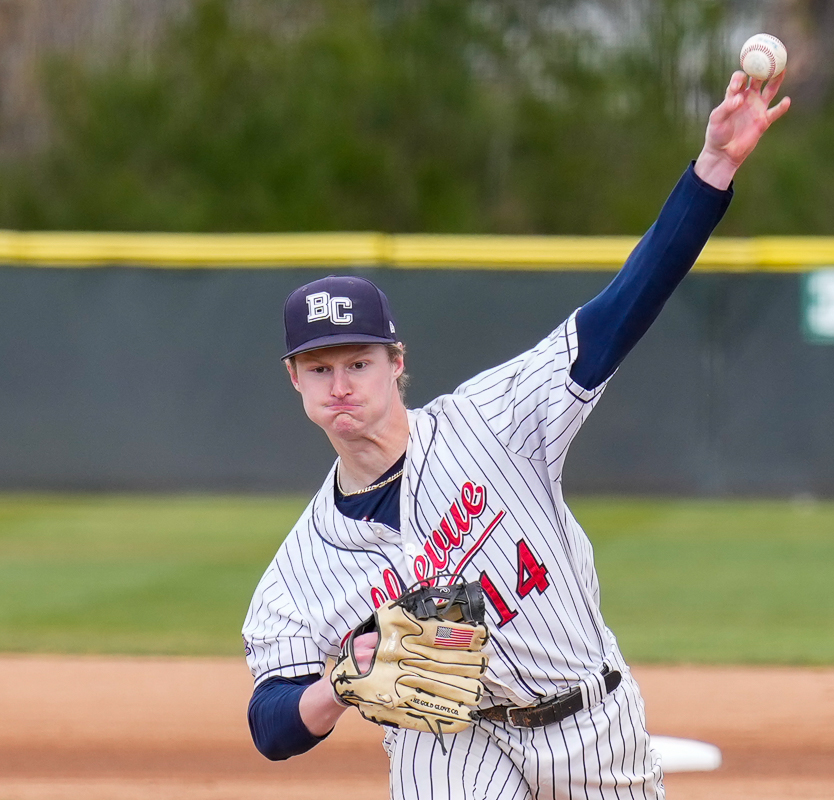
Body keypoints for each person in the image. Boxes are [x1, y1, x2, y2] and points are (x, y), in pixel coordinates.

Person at [242, 69, 790, 799]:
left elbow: (622, 309)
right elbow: (269, 723)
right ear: (295, 381)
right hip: (455, 741)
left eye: (358, 362)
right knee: (434, 750)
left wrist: (714, 167)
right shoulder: (308, 561)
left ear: (396, 364)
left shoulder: (494, 420)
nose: (341, 384)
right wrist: (342, 684)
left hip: (590, 725)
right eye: (320, 368)